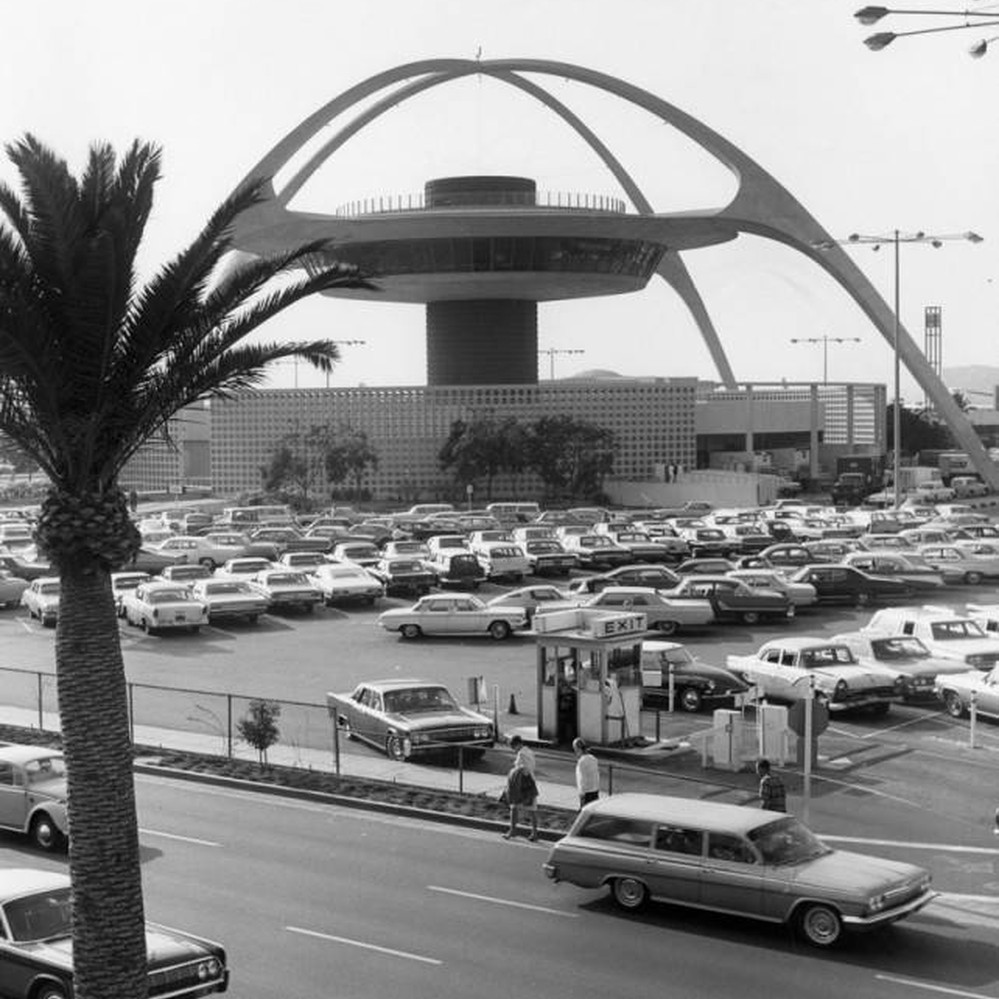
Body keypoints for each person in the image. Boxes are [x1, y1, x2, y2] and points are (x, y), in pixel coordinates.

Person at [504, 735, 539, 841]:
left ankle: (512, 831)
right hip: (531, 783)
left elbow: (523, 769)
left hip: (522, 785)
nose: (514, 750)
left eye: (513, 747)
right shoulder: (529, 751)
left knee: (514, 807)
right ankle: (534, 833)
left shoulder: (521, 754)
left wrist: (513, 774)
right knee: (532, 810)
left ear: (517, 744)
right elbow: (531, 767)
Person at [573, 738, 600, 808]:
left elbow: (582, 779)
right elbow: (597, 776)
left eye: (575, 749)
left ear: (578, 749)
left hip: (586, 794)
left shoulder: (581, 762)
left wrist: (581, 793)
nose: (575, 752)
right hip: (595, 791)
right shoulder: (593, 759)